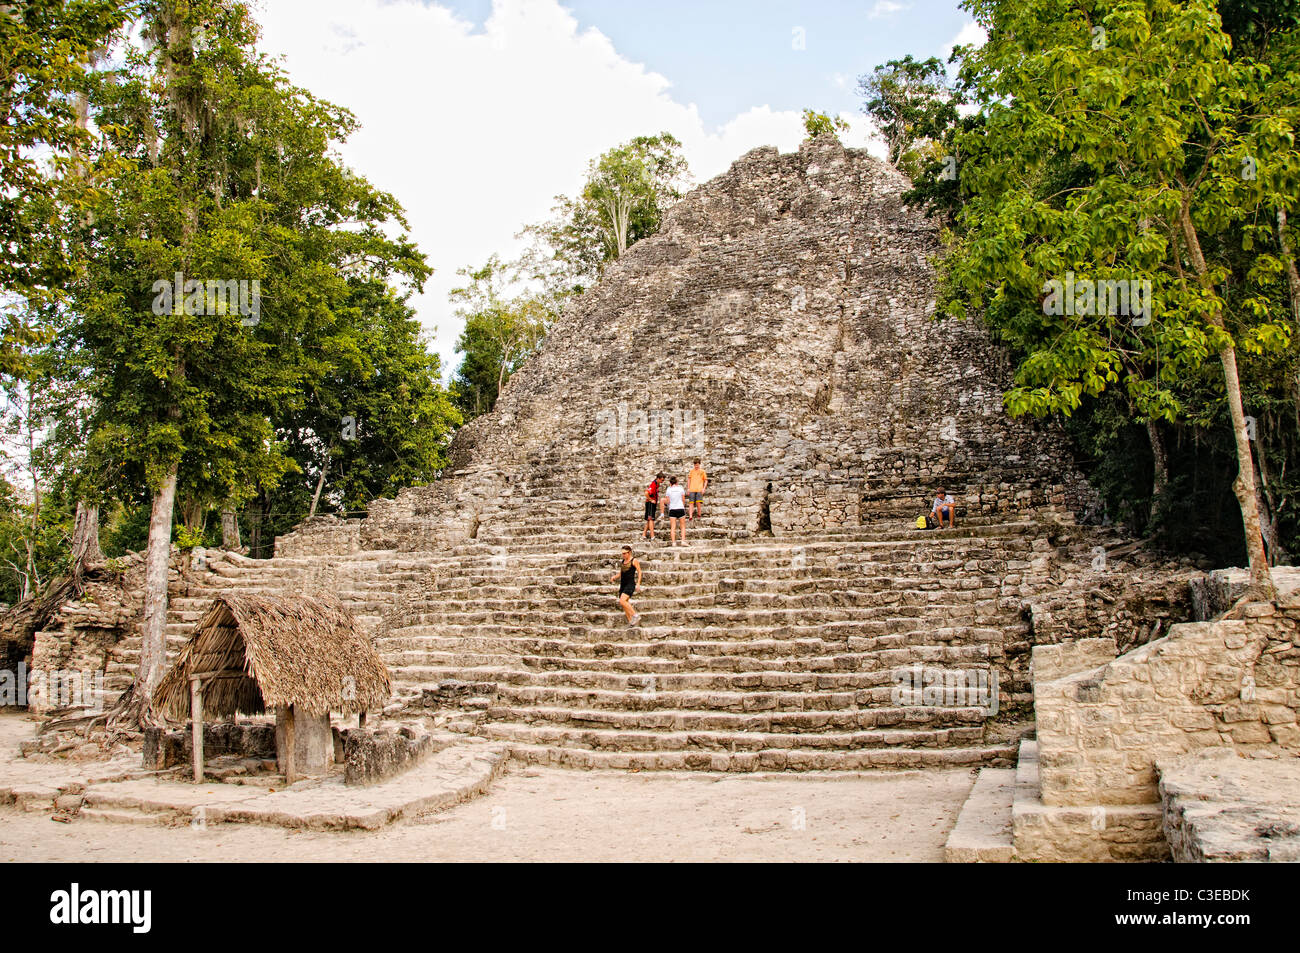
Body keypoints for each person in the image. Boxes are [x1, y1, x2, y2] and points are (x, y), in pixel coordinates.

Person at [610, 545, 642, 625]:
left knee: (622, 600)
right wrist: (614, 577)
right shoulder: (623, 561)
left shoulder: (634, 561)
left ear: (629, 552)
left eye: (625, 553)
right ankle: (631, 621)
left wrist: (638, 583)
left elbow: (639, 572)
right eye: (622, 553)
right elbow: (621, 573)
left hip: (630, 584)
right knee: (624, 604)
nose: (623, 555)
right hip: (623, 584)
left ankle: (635, 615)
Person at [665, 476, 688, 545]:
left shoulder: (668, 489)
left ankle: (673, 542)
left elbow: (668, 501)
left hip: (672, 508)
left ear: (670, 483)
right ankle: (683, 541)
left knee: (673, 527)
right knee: (683, 526)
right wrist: (682, 505)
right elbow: (683, 499)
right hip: (680, 508)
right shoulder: (680, 488)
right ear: (677, 482)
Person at [642, 473, 663, 541]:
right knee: (651, 519)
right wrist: (651, 500)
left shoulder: (657, 484)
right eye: (661, 480)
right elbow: (646, 493)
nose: (662, 482)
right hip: (650, 504)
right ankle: (652, 536)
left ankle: (644, 535)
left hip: (652, 503)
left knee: (649, 519)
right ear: (658, 478)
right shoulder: (653, 484)